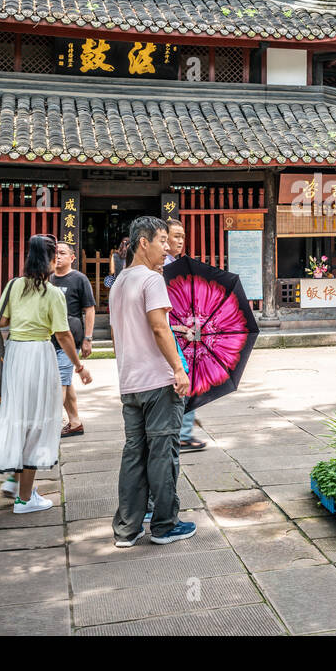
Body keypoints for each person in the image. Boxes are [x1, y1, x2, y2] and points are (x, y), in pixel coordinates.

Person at [0, 235, 91, 512]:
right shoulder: (52, 293)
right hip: (39, 354)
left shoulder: (14, 285)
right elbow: (62, 335)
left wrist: (22, 316)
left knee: (18, 416)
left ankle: (16, 482)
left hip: (14, 354)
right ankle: (25, 498)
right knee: (37, 422)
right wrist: (79, 366)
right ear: (51, 260)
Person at [109, 215, 194, 547]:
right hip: (158, 382)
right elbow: (160, 328)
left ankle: (127, 529)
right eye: (161, 240)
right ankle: (164, 524)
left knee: (133, 453)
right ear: (143, 243)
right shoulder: (151, 280)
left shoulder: (118, 283)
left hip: (130, 382)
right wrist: (178, 368)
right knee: (162, 452)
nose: (166, 247)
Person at [163, 219, 206, 452]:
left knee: (187, 383)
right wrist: (182, 329)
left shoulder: (176, 266)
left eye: (182, 236)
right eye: (175, 236)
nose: (180, 241)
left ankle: (184, 427)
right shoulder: (163, 269)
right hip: (176, 335)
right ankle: (183, 431)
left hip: (185, 333)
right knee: (184, 382)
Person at [50, 240, 96, 437]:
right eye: (55, 253)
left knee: (59, 380)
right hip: (49, 338)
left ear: (72, 257)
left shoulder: (79, 279)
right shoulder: (48, 279)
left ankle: (48, 426)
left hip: (70, 338)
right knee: (66, 382)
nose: (57, 256)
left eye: (62, 253)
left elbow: (89, 309)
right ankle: (75, 422)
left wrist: (88, 338)